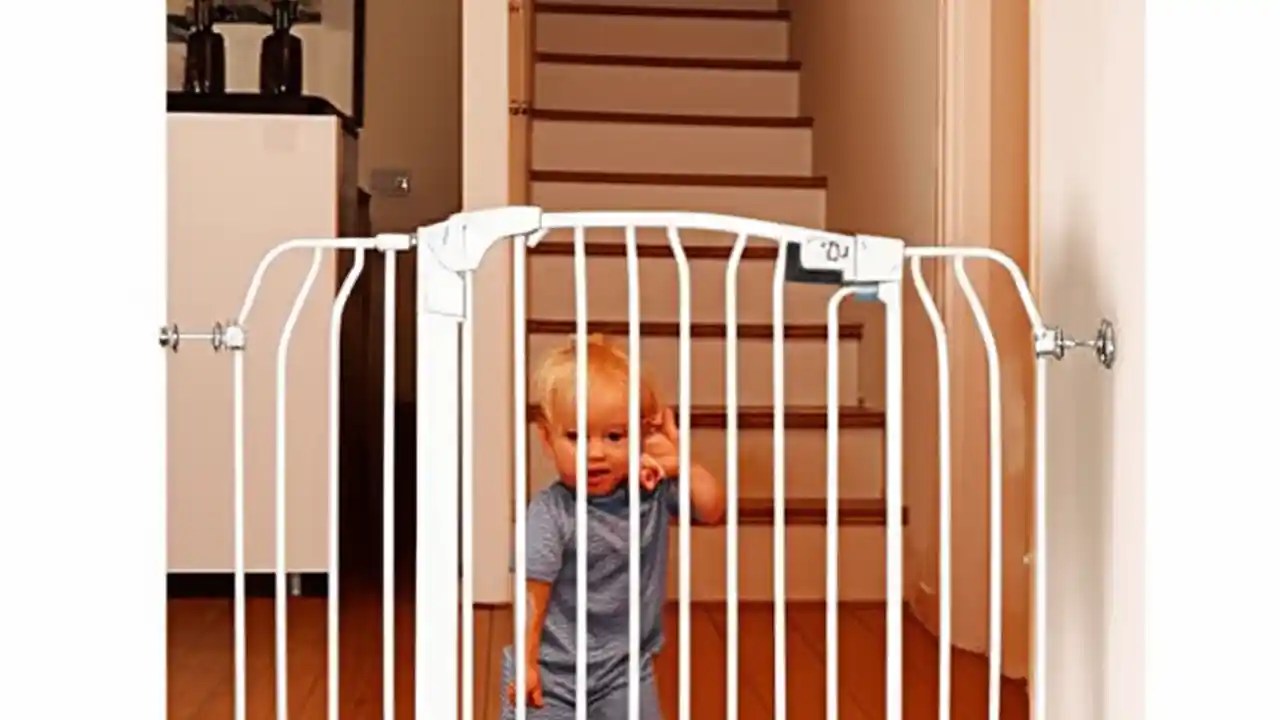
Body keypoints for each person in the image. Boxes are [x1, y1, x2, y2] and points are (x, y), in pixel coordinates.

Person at [501, 334, 726, 719]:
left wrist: (681, 462)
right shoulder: (551, 513)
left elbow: (711, 509)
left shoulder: (650, 492)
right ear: (547, 439)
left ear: (641, 434)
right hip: (551, 670)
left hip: (625, 668)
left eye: (615, 436)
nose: (596, 453)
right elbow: (532, 596)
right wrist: (526, 662)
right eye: (575, 437)